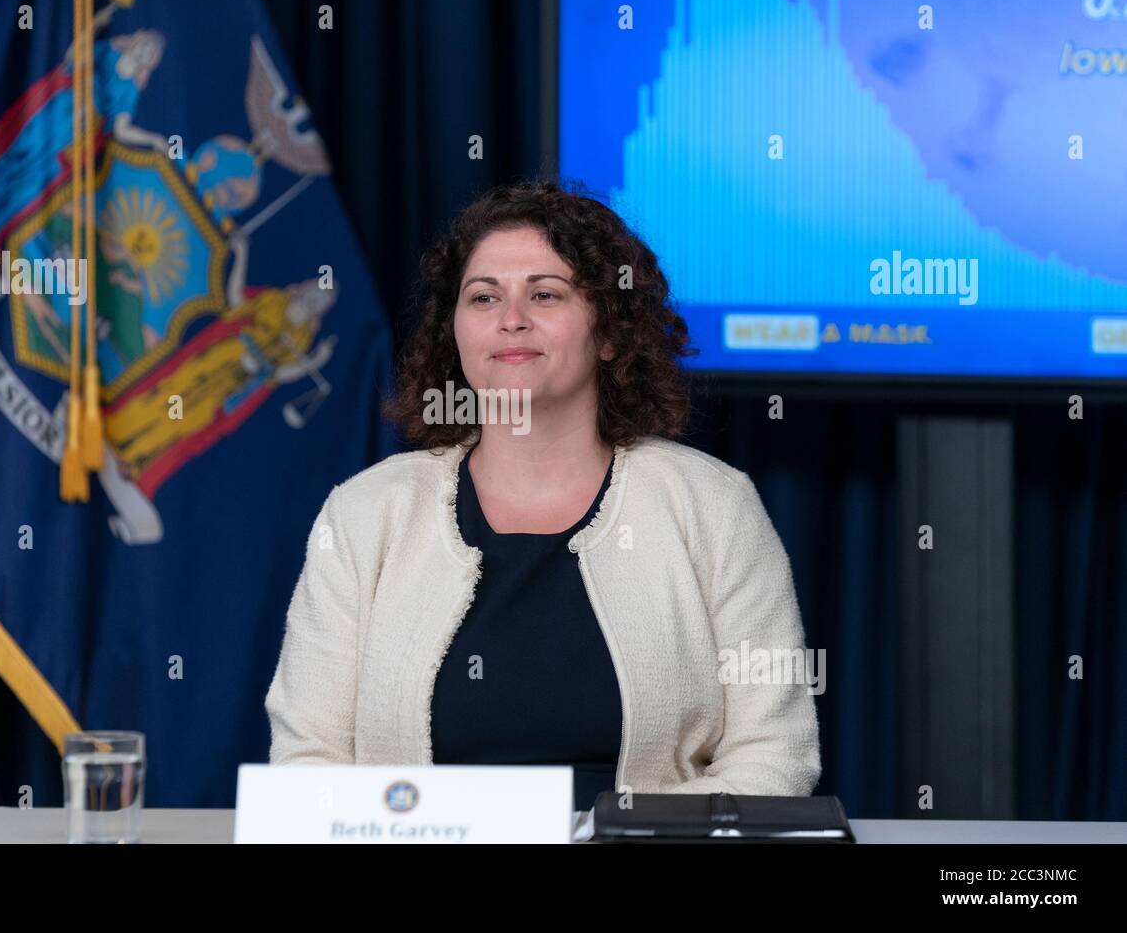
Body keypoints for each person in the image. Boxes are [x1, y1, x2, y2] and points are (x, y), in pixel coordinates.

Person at [265, 177, 821, 811]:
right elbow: (307, 760)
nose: (511, 320)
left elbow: (776, 755)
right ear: (456, 335)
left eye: (546, 294)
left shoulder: (715, 505)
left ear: (610, 333)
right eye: (483, 298)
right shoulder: (365, 512)